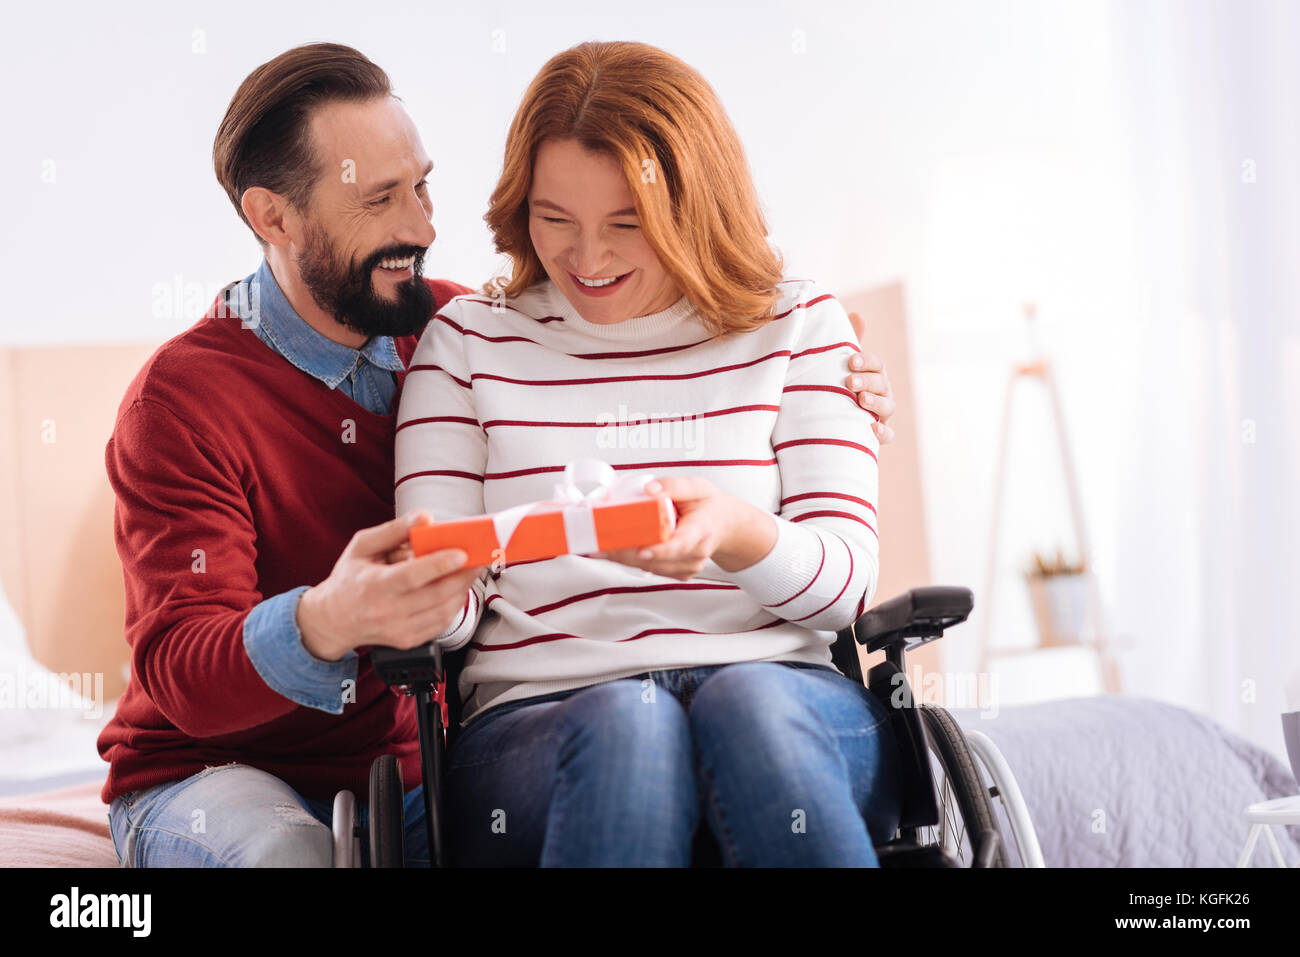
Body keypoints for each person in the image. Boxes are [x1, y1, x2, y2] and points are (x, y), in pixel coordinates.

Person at [100, 42, 896, 867]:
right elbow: (183, 668)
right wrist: (338, 615)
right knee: (290, 855)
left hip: (407, 760)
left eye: (422, 185)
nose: (423, 227)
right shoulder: (186, 401)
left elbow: (832, 545)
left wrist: (831, 390)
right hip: (231, 764)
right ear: (272, 216)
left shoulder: (438, 320)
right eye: (380, 200)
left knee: (736, 715)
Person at [394, 40, 900, 867]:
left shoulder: (799, 325)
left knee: (747, 706)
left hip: (786, 699)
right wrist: (444, 575)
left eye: (627, 226)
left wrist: (737, 532)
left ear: (694, 208)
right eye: (555, 219)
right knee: (629, 722)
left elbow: (845, 585)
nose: (587, 261)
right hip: (539, 719)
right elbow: (444, 611)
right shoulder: (467, 344)